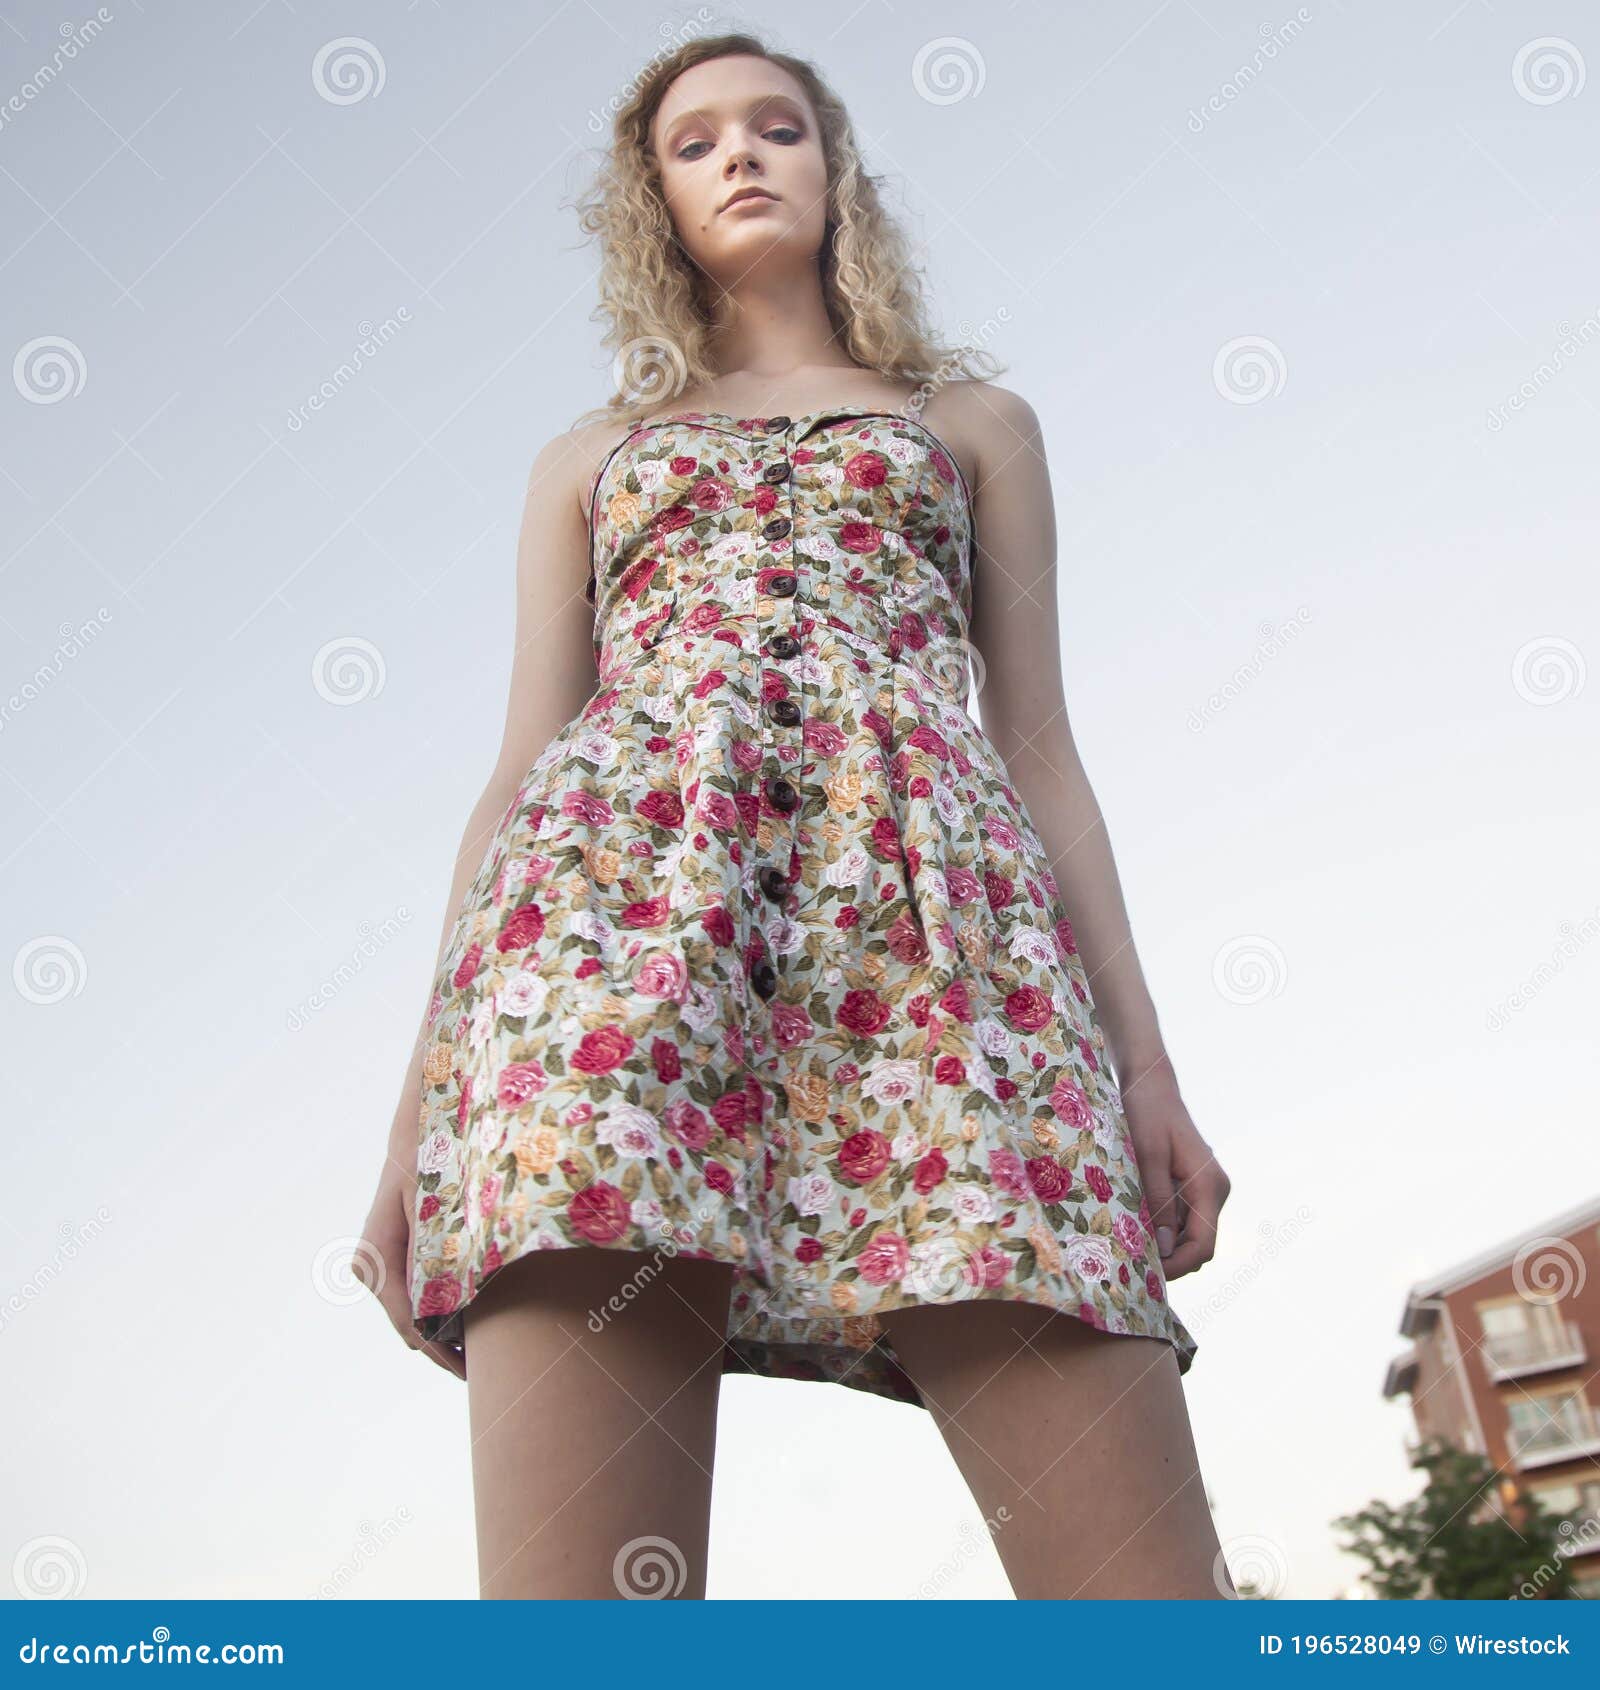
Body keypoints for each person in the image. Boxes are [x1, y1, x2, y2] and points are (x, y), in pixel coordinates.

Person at [358, 30, 1233, 1601]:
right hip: (607, 965)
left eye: (780, 127)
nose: (744, 155)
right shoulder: (589, 457)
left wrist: (1148, 1073)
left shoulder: (971, 423)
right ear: (655, 203)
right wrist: (416, 1118)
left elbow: (1038, 746)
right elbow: (517, 768)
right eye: (697, 143)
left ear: (840, 173)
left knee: (1151, 1614)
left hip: (943, 959)